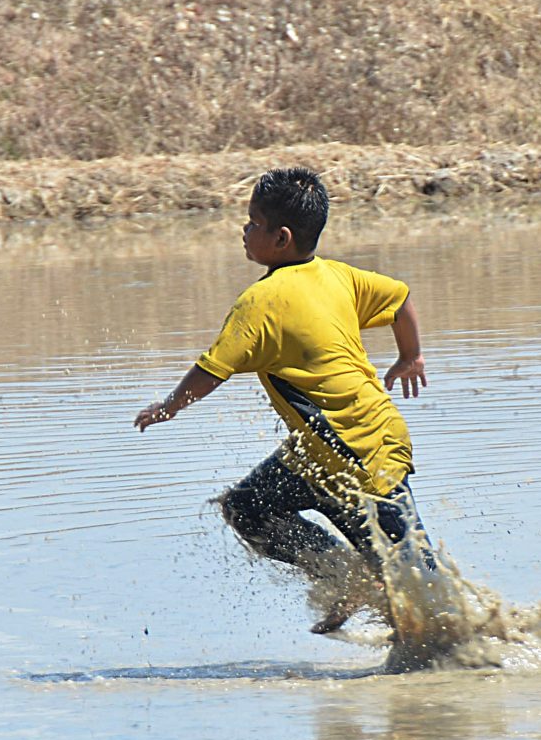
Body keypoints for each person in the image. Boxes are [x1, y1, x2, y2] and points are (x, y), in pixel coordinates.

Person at [135, 167, 430, 634]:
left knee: (418, 595)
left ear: (281, 238)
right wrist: (409, 356)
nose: (245, 230)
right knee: (249, 507)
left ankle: (479, 653)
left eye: (253, 222)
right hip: (328, 449)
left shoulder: (260, 301)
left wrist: (168, 407)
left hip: (357, 459)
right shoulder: (336, 275)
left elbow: (212, 369)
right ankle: (344, 577)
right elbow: (401, 298)